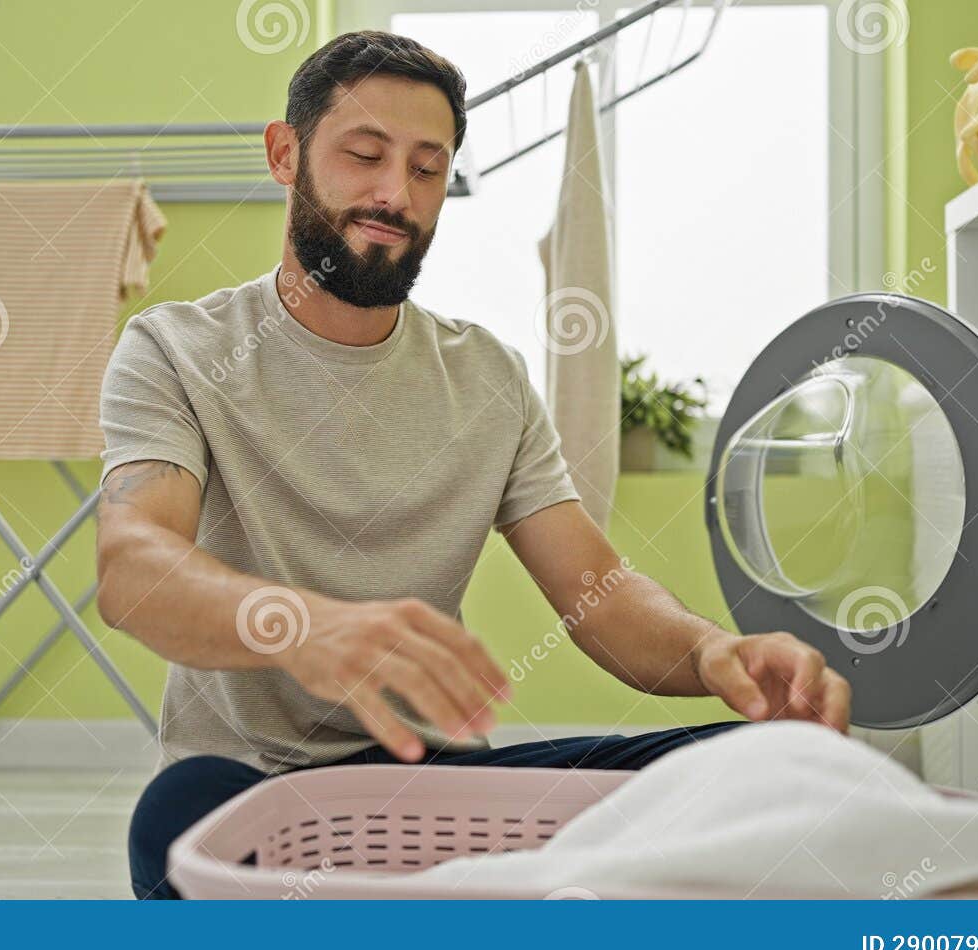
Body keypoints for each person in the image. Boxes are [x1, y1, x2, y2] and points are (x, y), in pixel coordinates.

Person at [96, 30, 851, 900]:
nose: (395, 194)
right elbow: (134, 569)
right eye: (365, 155)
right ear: (285, 153)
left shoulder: (487, 379)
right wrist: (304, 626)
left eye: (427, 168)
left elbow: (596, 591)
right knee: (177, 812)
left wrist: (717, 651)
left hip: (436, 794)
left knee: (769, 766)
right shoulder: (178, 351)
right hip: (256, 794)